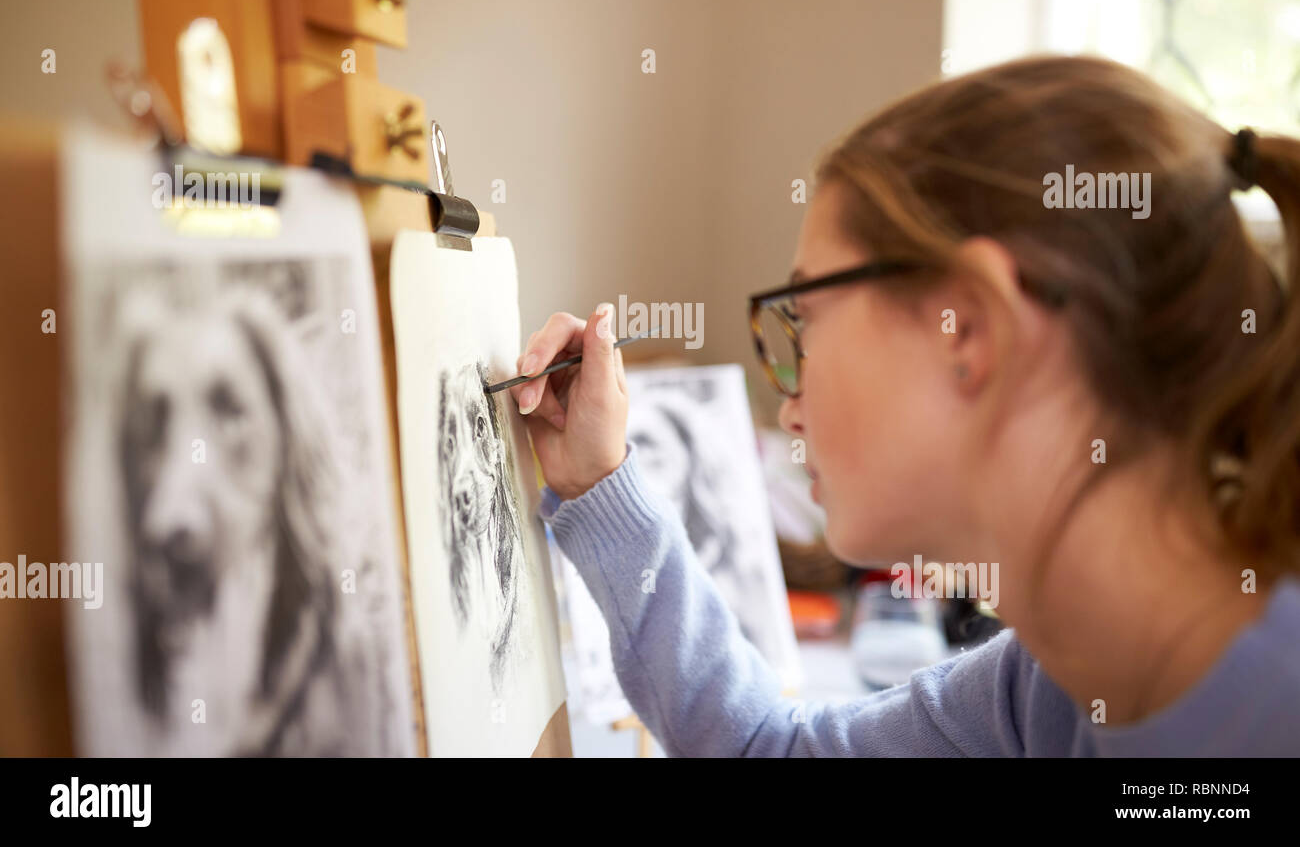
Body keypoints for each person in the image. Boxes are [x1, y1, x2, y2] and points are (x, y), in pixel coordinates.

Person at [510, 55, 1300, 756]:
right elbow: (762, 747)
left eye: (804, 321)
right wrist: (598, 481)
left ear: (972, 332)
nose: (788, 407)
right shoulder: (1050, 689)